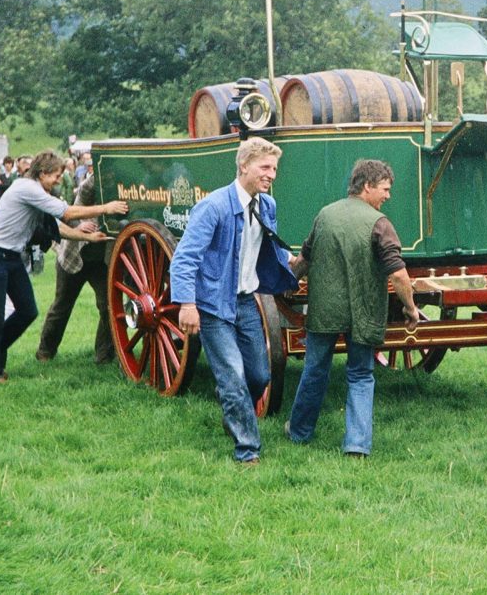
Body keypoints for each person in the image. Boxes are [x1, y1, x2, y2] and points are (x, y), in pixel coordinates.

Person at [170, 138, 298, 464]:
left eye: (274, 169)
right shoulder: (213, 207)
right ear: (244, 166)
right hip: (213, 306)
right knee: (233, 378)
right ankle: (247, 451)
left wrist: (286, 259)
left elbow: (263, 244)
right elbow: (184, 259)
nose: (271, 175)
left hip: (245, 302)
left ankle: (231, 402)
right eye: (265, 167)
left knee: (258, 376)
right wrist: (187, 305)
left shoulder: (266, 205)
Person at [286, 159, 419, 457]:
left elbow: (304, 260)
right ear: (367, 186)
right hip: (364, 313)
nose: (388, 196)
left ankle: (298, 432)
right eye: (385, 189)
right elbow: (398, 274)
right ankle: (357, 445)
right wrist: (411, 309)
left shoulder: (325, 215)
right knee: (360, 374)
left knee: (314, 371)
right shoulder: (379, 224)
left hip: (324, 312)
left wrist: (287, 282)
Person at [0, 149, 126, 383]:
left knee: (27, 311)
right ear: (42, 173)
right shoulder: (28, 189)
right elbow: (67, 213)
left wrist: (84, 236)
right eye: (55, 176)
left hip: (11, 257)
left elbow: (56, 225)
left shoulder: (37, 191)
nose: (57, 180)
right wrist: (106, 208)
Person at [35, 174, 119, 364]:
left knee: (108, 305)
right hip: (75, 255)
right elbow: (70, 212)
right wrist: (79, 225)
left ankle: (104, 355)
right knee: (62, 305)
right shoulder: (91, 186)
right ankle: (45, 352)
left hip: (100, 260)